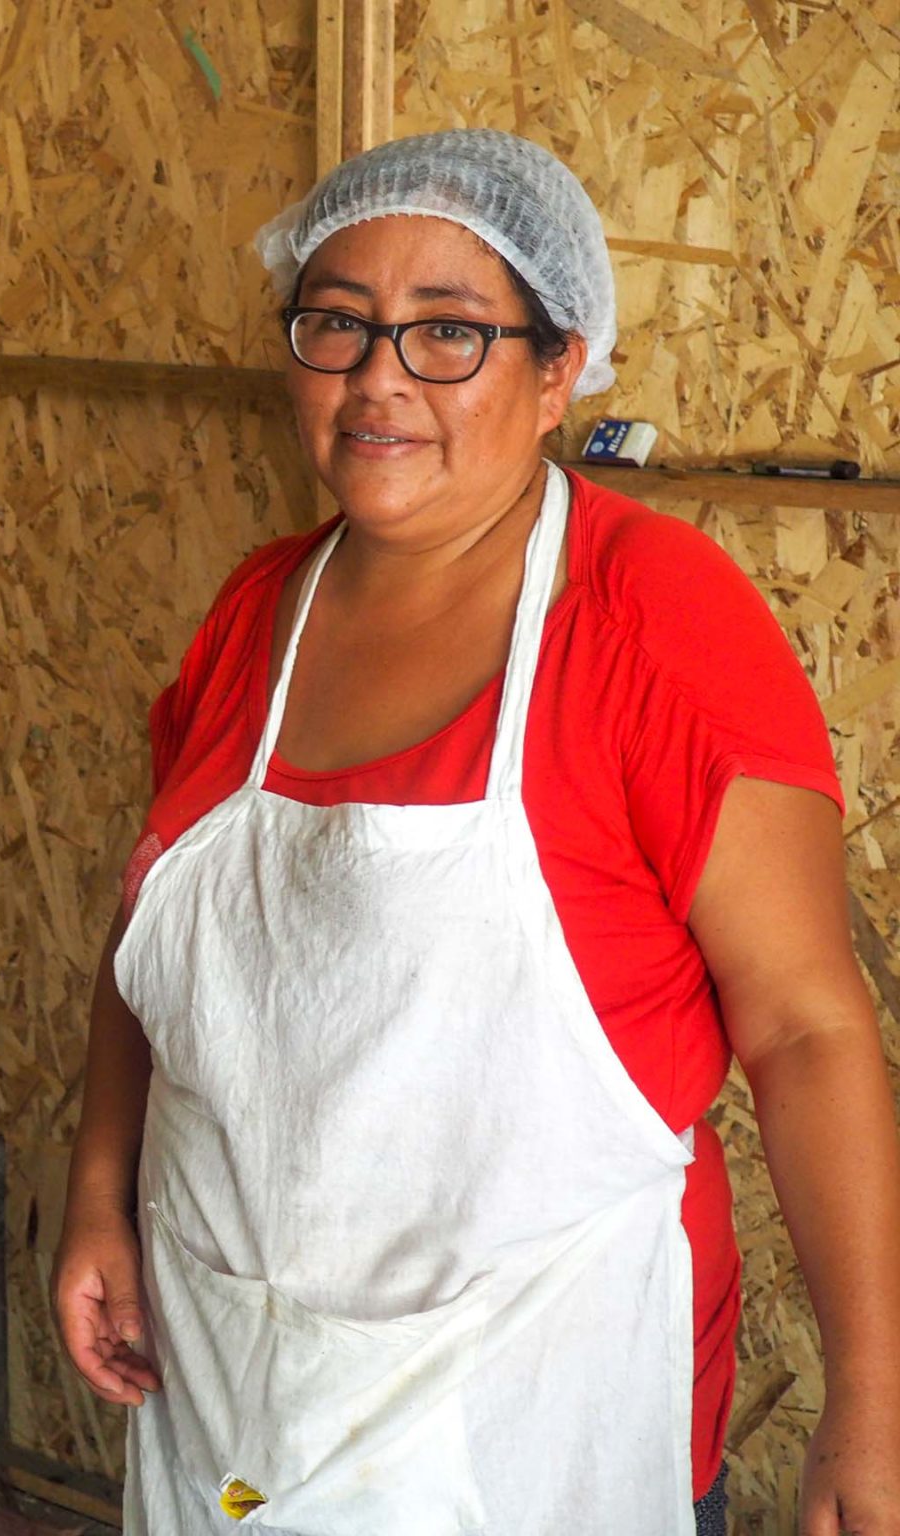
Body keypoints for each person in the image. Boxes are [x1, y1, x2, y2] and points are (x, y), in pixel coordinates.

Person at [50, 128, 900, 1536]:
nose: (380, 377)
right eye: (338, 323)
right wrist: (98, 1191)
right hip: (237, 1402)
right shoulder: (255, 611)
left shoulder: (653, 628)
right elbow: (160, 944)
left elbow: (810, 1031)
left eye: (450, 332)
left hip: (542, 1423)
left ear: (560, 368)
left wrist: (872, 1405)